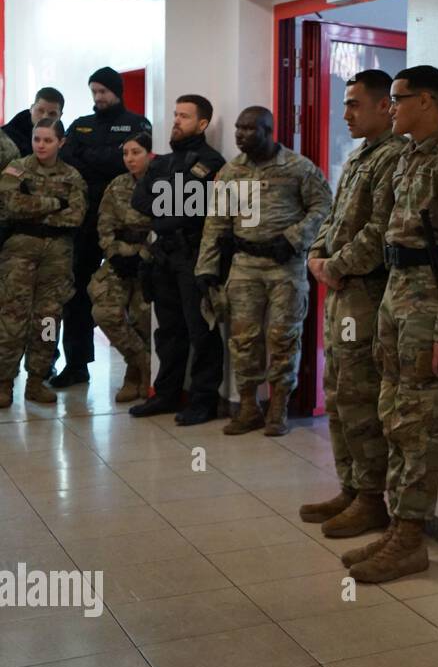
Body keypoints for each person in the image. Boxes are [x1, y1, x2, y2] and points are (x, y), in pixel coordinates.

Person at [340, 65, 438, 583]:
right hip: (395, 296)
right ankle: (395, 523)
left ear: (426, 101)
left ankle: (410, 539)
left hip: (428, 304)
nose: (391, 108)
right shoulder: (407, 156)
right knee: (391, 414)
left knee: (417, 424)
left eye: (398, 99)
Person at [299, 70, 404, 537]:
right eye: (344, 104)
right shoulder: (361, 154)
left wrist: (335, 265)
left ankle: (371, 498)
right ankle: (350, 487)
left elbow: (380, 230)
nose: (345, 114)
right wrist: (317, 255)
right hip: (341, 292)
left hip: (367, 293)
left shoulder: (394, 157)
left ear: (384, 106)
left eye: (354, 104)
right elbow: (334, 217)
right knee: (338, 394)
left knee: (362, 397)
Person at [194, 106, 332, 436]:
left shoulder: (298, 167)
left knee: (283, 337)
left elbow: (325, 206)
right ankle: (248, 408)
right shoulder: (231, 171)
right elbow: (216, 221)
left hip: (286, 267)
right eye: (238, 128)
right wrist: (207, 267)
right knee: (243, 339)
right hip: (245, 266)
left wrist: (295, 237)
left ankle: (278, 408)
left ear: (268, 131)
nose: (240, 134)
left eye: (248, 129)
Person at [130, 95, 227, 425]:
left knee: (201, 331)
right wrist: (172, 203)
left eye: (184, 116)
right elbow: (139, 199)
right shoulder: (163, 162)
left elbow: (193, 207)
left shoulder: (211, 162)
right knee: (169, 331)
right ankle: (167, 394)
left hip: (193, 255)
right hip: (164, 255)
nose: (176, 120)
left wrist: (167, 205)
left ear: (202, 124)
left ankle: (203, 401)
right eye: (175, 114)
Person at [55, 68, 151, 388]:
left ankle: (137, 367)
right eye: (94, 92)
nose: (98, 97)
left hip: (124, 224)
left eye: (103, 91)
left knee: (135, 300)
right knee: (76, 293)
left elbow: (117, 162)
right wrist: (104, 158)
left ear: (117, 91)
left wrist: (91, 157)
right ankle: (77, 363)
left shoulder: (137, 124)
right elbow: (68, 159)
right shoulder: (81, 123)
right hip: (85, 221)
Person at [0, 118, 87, 407]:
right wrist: (55, 204)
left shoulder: (72, 176)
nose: (41, 145)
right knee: (11, 318)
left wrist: (34, 210)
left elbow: (76, 216)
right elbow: (11, 205)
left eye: (48, 140)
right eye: (37, 139)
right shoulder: (17, 168)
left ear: (61, 142)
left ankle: (37, 380)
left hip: (57, 256)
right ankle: (4, 383)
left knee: (48, 320)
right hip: (19, 252)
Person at [88, 131, 153, 403]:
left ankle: (134, 377)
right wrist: (114, 254)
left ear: (150, 154)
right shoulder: (117, 185)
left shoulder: (162, 184)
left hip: (150, 260)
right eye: (126, 153)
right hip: (119, 257)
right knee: (104, 312)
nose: (129, 159)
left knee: (143, 318)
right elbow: (105, 224)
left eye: (136, 152)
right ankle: (143, 362)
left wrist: (143, 255)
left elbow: (166, 226)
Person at [2, 87, 64, 159]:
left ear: (60, 116)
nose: (44, 117)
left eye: (52, 114)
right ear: (31, 109)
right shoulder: (7, 138)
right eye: (40, 110)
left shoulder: (61, 139)